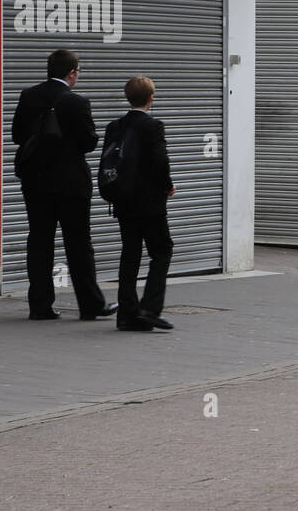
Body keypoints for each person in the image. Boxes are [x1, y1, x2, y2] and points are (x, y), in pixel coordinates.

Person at [11, 49, 116, 322]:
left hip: (35, 182)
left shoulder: (28, 95)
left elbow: (17, 136)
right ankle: (91, 305)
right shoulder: (77, 102)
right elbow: (89, 143)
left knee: (39, 241)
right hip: (71, 184)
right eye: (78, 71)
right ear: (71, 73)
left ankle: (40, 306)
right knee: (79, 243)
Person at [105, 76, 177, 332]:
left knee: (130, 254)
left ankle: (126, 314)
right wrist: (168, 186)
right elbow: (160, 161)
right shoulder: (153, 126)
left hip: (123, 200)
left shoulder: (115, 126)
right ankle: (149, 308)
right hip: (150, 202)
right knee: (162, 250)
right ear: (150, 98)